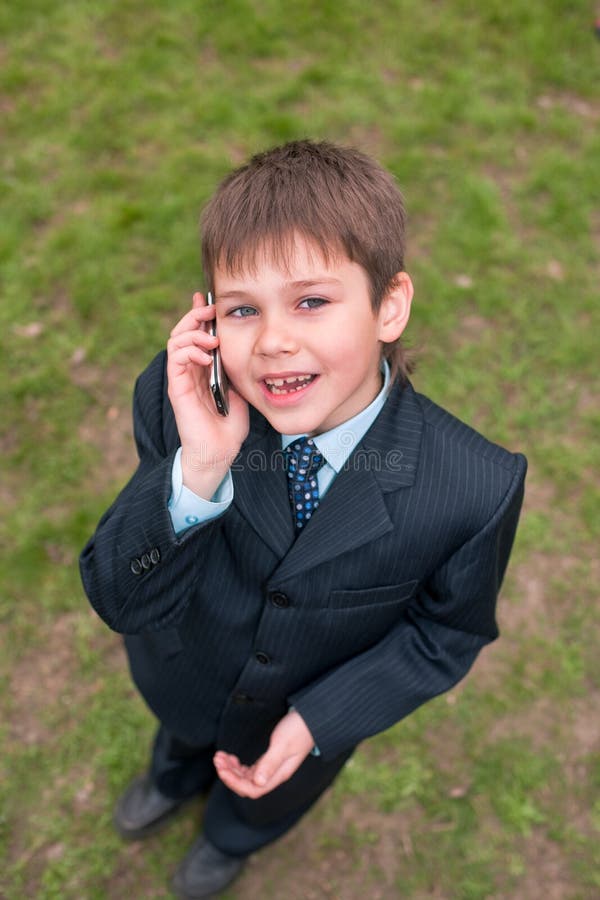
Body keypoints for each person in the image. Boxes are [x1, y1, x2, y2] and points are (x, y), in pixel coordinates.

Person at [80, 139, 527, 899]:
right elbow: (121, 597)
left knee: (262, 804)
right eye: (242, 309)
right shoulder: (180, 398)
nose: (274, 340)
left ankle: (229, 839)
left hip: (306, 721)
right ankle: (172, 776)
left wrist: (319, 720)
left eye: (312, 301)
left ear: (389, 304)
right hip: (184, 676)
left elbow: (446, 633)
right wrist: (200, 468)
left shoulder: (475, 486)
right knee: (181, 739)